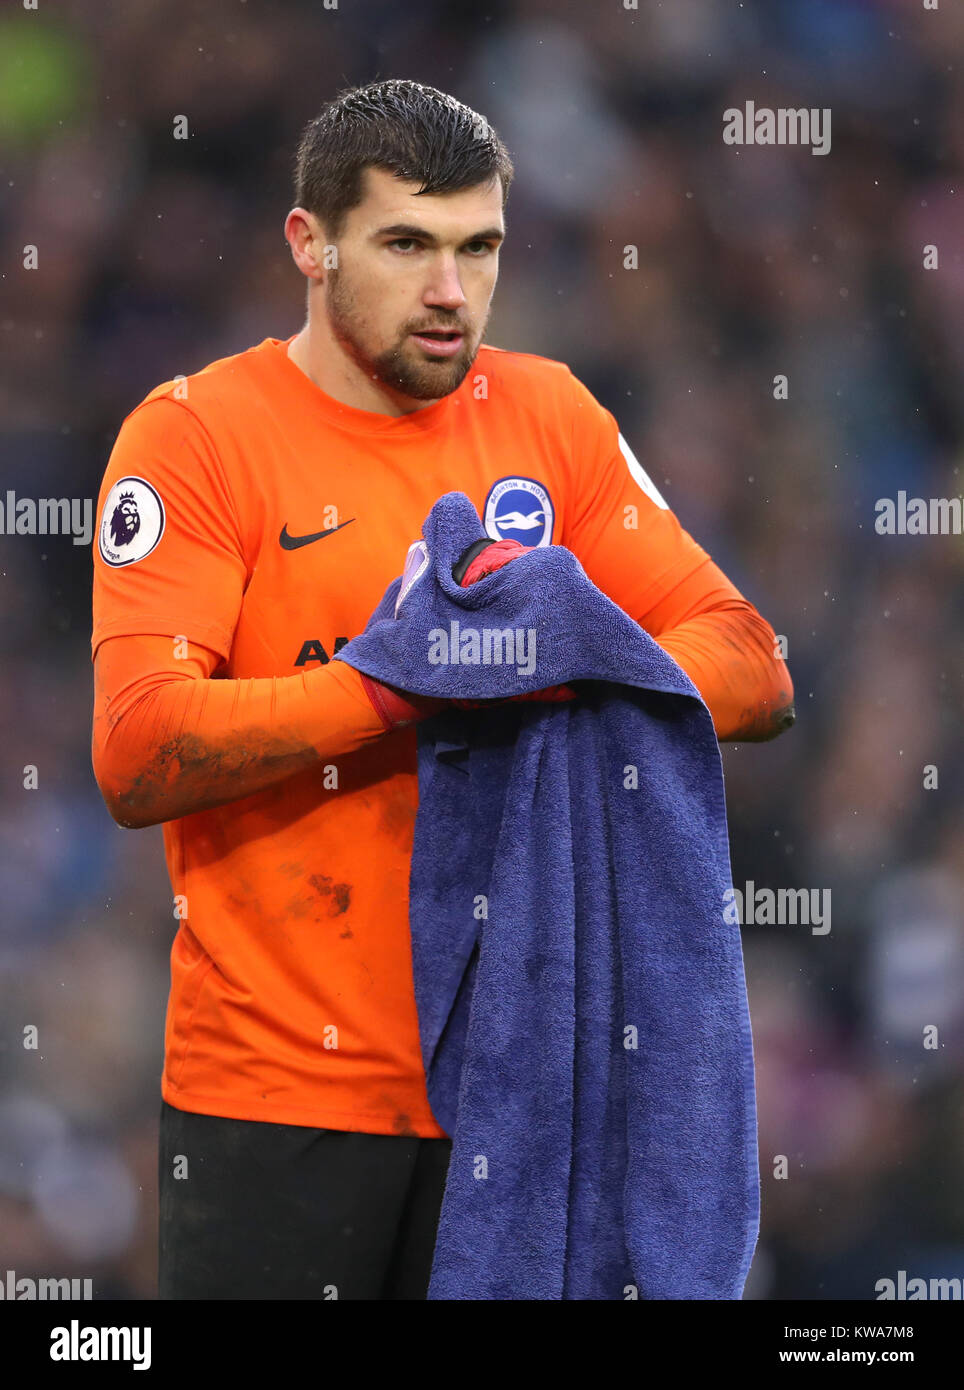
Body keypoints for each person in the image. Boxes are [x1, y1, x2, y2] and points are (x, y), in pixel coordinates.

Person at [90, 78, 794, 1301]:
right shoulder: (195, 436)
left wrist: (547, 661)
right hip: (274, 1100)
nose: (450, 292)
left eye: (480, 249)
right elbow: (138, 748)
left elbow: (752, 661)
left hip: (519, 1098)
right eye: (408, 244)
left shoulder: (548, 415)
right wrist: (401, 688)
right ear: (309, 245)